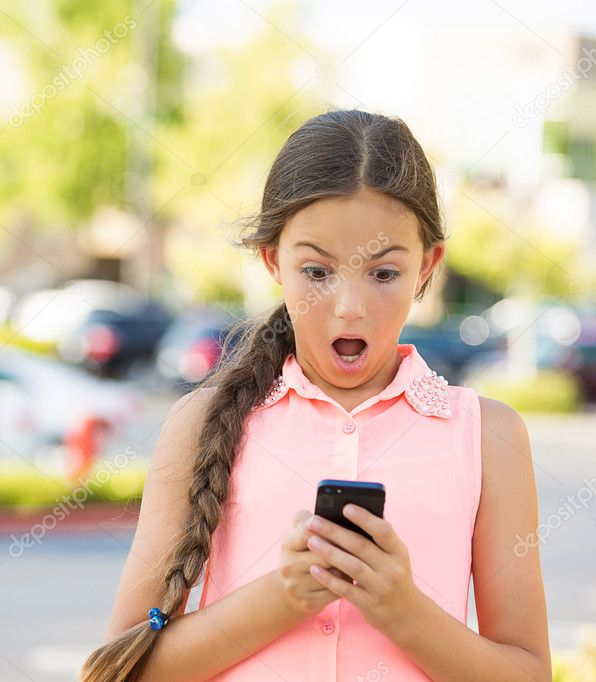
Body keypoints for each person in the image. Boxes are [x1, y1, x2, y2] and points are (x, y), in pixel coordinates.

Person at [80, 109, 551, 681]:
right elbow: (124, 671)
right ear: (273, 261)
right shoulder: (202, 423)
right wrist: (283, 596)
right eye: (317, 271)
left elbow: (528, 673)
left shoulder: (488, 437)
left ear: (427, 267)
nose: (348, 305)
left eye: (383, 274)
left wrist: (406, 614)